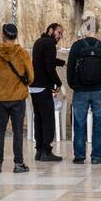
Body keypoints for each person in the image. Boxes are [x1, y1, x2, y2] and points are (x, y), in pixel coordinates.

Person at [0, 22, 33, 174]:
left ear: (3, 35)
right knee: (18, 131)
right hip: (18, 98)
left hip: (0, 98)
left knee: (0, 130)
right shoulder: (23, 53)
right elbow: (31, 77)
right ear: (16, 36)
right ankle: (18, 163)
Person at [65, 13, 101, 165]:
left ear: (85, 27)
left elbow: (70, 69)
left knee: (79, 123)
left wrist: (74, 85)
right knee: (98, 123)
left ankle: (79, 156)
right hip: (99, 91)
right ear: (97, 28)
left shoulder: (77, 46)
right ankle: (97, 156)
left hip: (80, 91)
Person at [30, 23, 64, 162]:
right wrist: (58, 83)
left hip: (34, 86)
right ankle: (46, 151)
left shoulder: (39, 42)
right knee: (48, 119)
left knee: (38, 118)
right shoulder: (50, 44)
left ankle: (39, 151)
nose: (60, 36)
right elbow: (49, 66)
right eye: (59, 32)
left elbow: (44, 61)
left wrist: (61, 62)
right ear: (50, 30)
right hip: (43, 86)